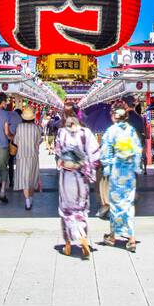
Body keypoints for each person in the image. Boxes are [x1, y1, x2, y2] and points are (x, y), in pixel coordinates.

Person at [55, 104, 98, 259]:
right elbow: (95, 155)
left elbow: (58, 153)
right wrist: (87, 166)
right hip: (80, 177)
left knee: (66, 210)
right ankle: (82, 238)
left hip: (66, 177)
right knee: (81, 210)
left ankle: (67, 244)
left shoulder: (61, 133)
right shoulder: (85, 133)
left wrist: (64, 162)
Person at [100, 103, 144, 251]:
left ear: (114, 117)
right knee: (128, 203)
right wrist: (137, 167)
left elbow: (105, 151)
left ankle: (113, 236)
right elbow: (138, 149)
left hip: (116, 171)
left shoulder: (110, 132)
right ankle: (131, 238)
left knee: (116, 203)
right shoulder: (131, 131)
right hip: (129, 172)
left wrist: (106, 167)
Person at [12, 106, 42, 210]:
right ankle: (31, 197)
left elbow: (16, 142)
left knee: (24, 179)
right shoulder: (36, 127)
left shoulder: (19, 127)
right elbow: (38, 142)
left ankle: (27, 201)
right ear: (33, 118)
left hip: (22, 156)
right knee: (32, 178)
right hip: (33, 156)